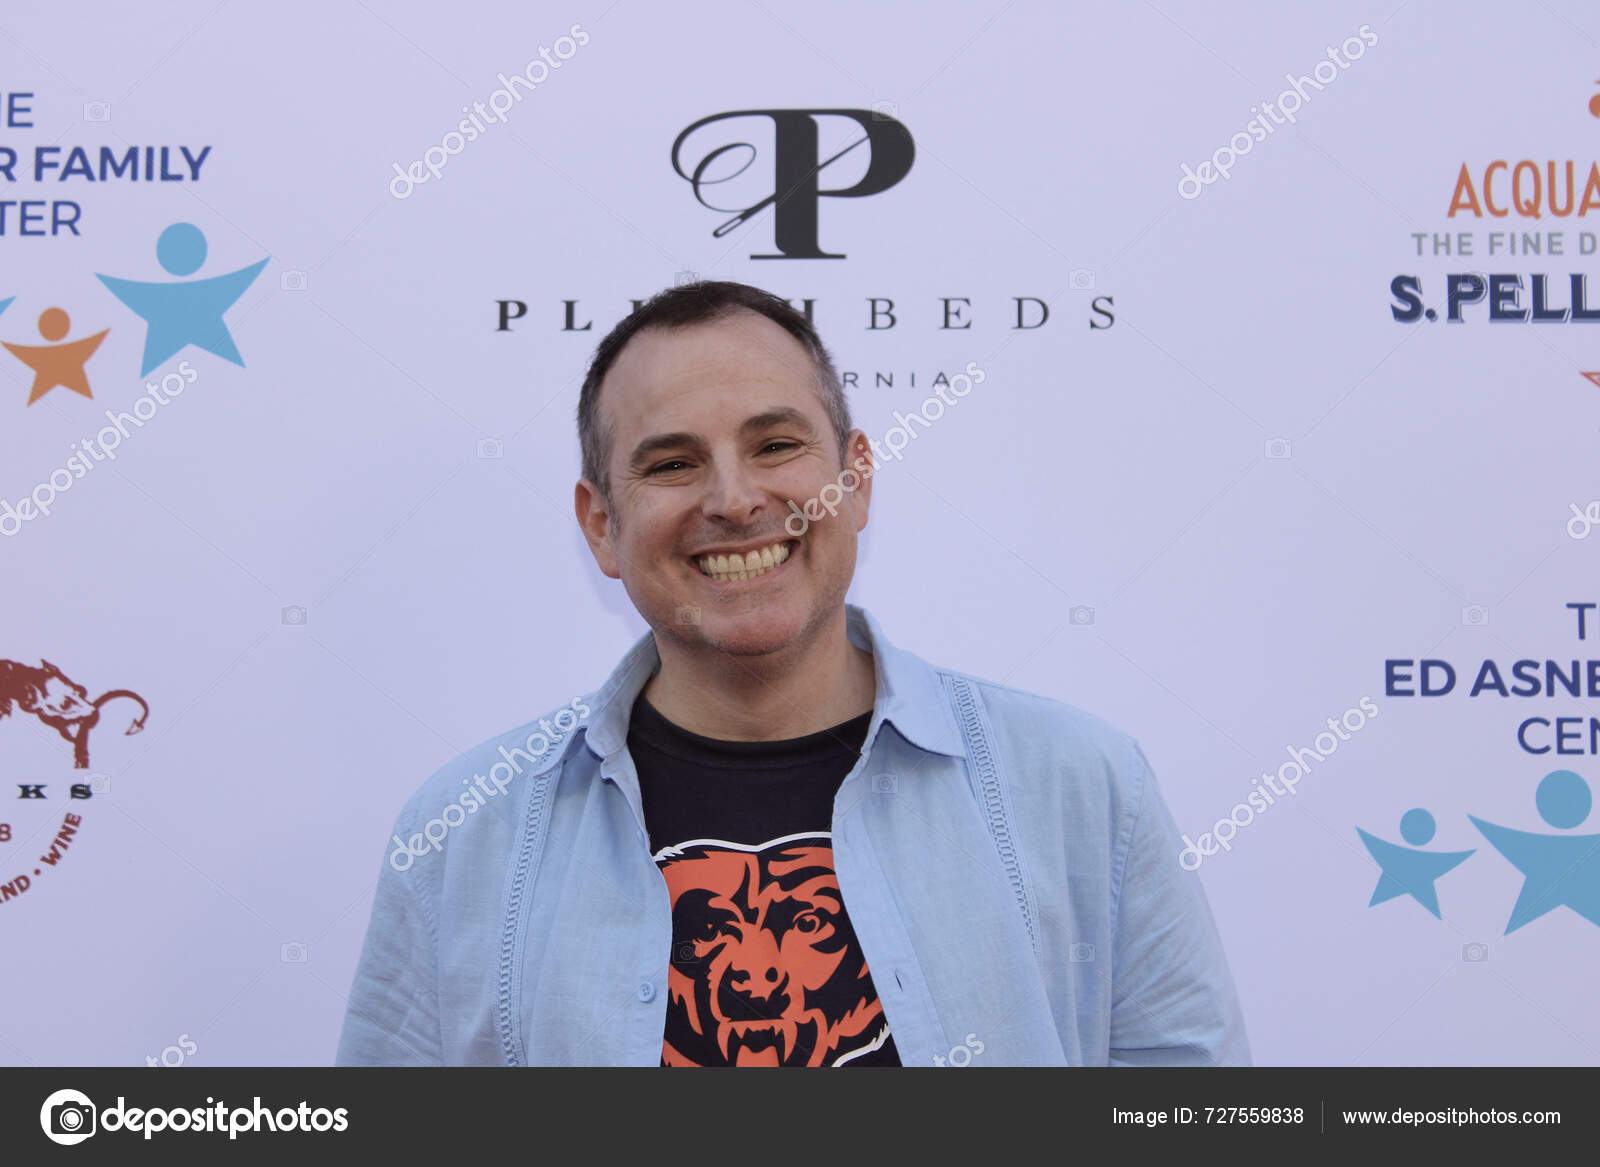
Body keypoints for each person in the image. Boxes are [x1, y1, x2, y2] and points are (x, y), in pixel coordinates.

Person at [337, 280, 1249, 1067]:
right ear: (601, 525)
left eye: (776, 445)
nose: (734, 500)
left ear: (854, 481)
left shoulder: (1079, 788)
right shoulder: (465, 833)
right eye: (672, 462)